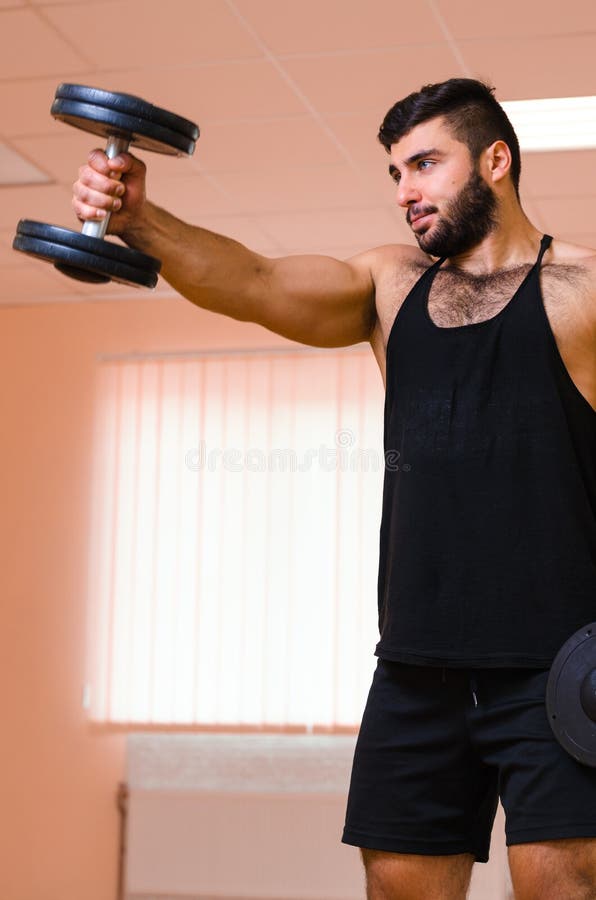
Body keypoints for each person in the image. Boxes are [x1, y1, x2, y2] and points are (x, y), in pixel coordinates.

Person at [73, 78, 596, 899]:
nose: (406, 192)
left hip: (560, 665)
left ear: (496, 160)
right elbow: (254, 281)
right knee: (397, 883)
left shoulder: (583, 292)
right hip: (418, 665)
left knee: (560, 881)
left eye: (425, 164)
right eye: (395, 173)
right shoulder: (393, 289)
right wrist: (141, 219)